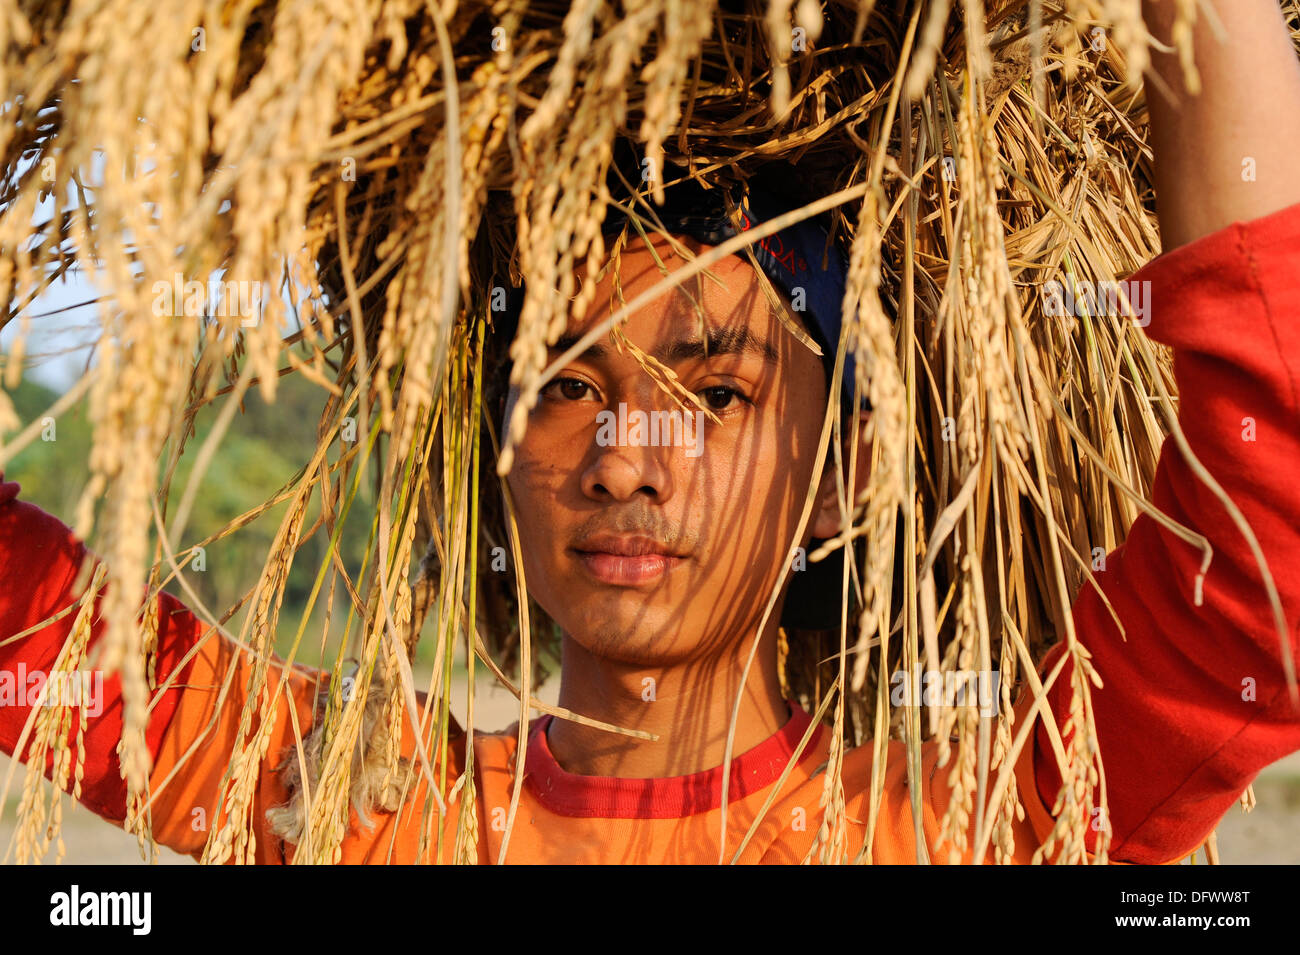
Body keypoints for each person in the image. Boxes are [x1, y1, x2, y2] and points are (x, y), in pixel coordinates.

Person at [3, 0, 1300, 864]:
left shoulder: (970, 829)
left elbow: (1266, 557)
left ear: (845, 476)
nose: (623, 458)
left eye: (716, 393)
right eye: (565, 388)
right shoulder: (353, 803)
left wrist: (1210, 18)